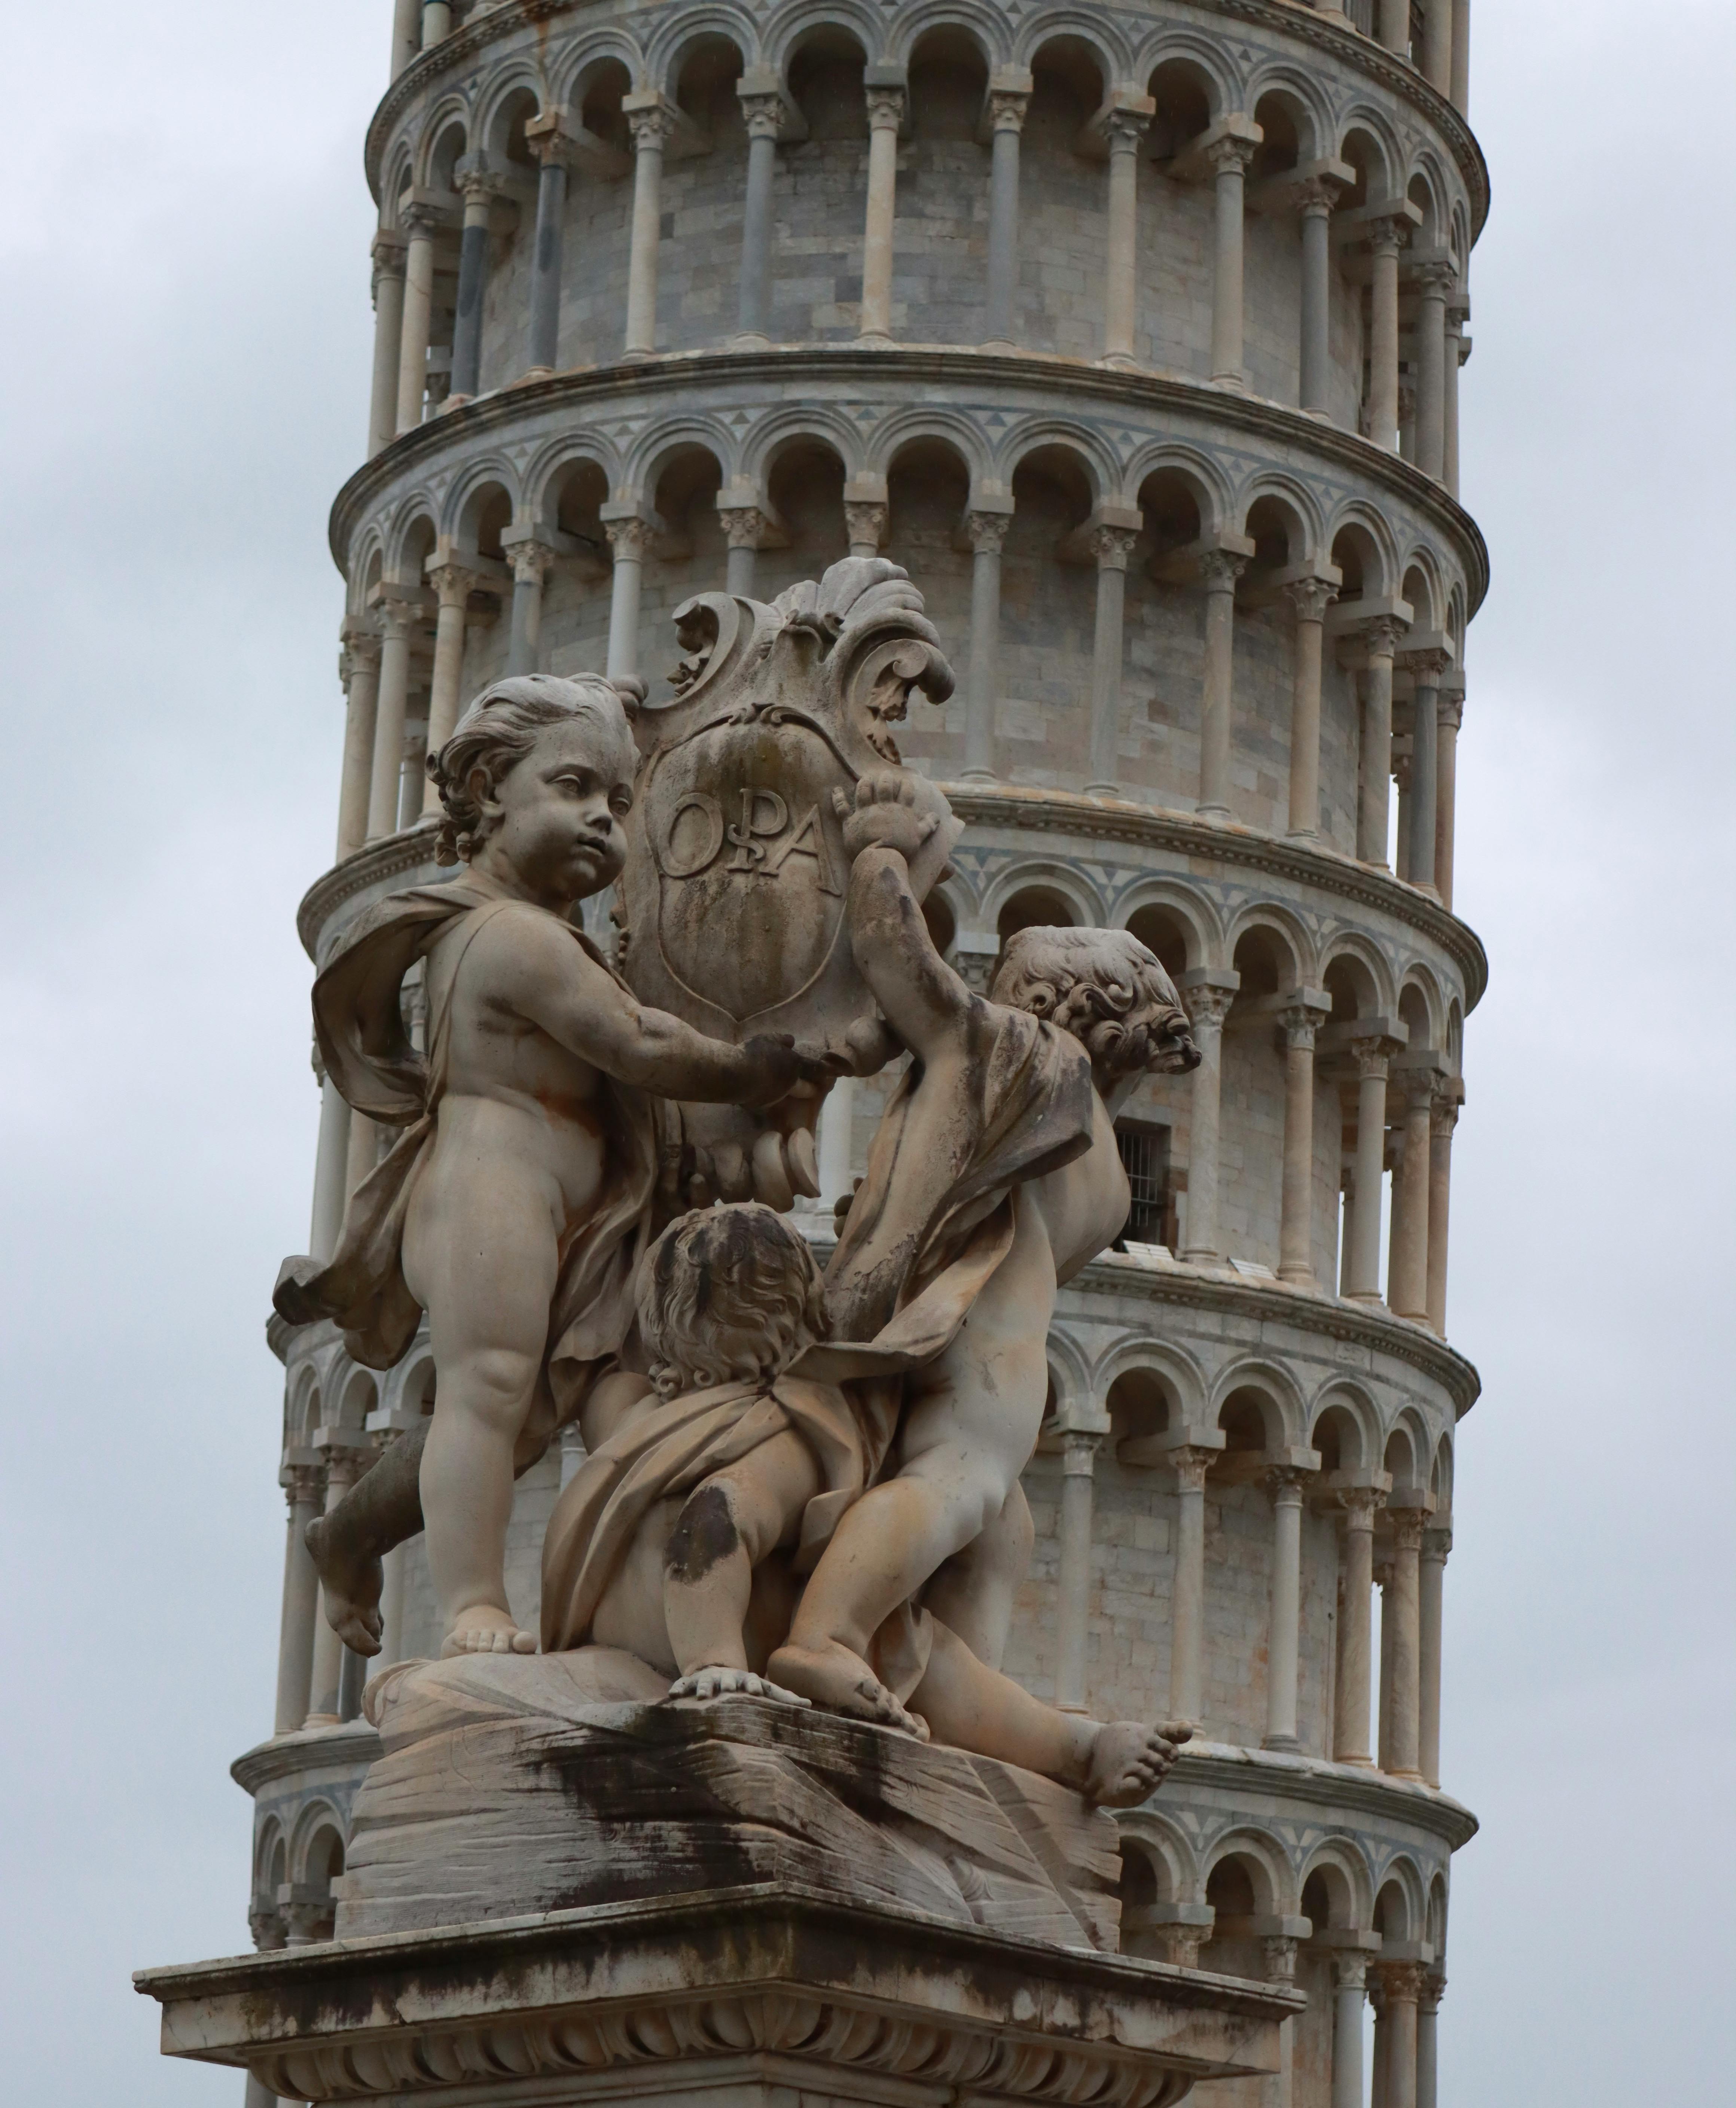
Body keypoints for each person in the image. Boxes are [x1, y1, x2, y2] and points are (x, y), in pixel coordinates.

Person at [275, 675, 824, 1660]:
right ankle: (474, 1605)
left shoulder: (555, 932)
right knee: (488, 1390)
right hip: (497, 1193)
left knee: (520, 1420)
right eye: (572, 789)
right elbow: (636, 1043)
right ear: (488, 787)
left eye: (617, 805)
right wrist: (754, 1063)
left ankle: (349, 1534)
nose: (603, 824)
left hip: (581, 1211)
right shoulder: (508, 936)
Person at [768, 771, 1201, 1736]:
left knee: (1001, 1522)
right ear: (1078, 1006)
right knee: (962, 1480)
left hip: (997, 1341)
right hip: (970, 1332)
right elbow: (905, 966)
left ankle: (953, 1705)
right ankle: (827, 1633)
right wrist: (881, 853)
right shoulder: (1014, 1051)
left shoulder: (1085, 1125)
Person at [541, 1201, 1189, 1808]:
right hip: (712, 1632)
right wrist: (716, 1665)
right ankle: (1079, 1751)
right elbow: (714, 1518)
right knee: (920, 1653)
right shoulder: (780, 1426)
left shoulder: (631, 1416)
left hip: (609, 1630)